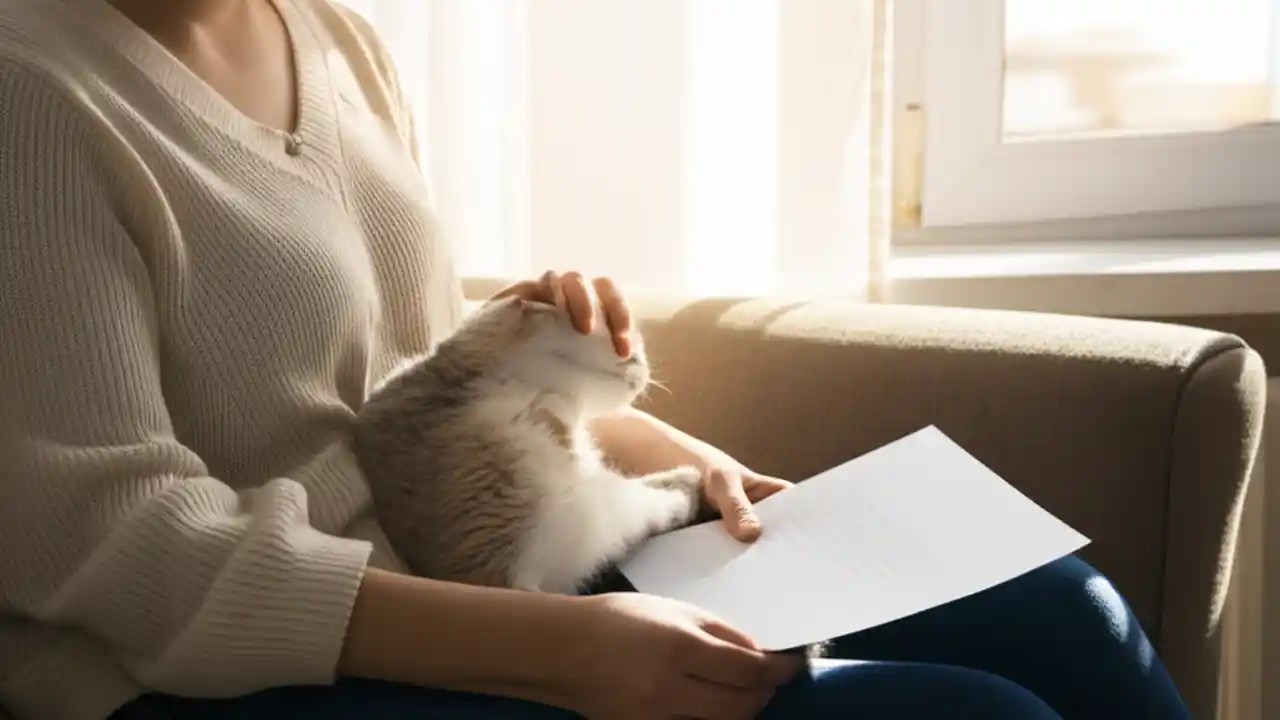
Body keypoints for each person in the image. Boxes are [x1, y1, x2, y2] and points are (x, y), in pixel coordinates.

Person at [0, 1, 1192, 718]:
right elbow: (117, 546)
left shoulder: (326, 31)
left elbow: (396, 371)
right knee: (964, 716)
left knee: (1065, 614)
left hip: (470, 568)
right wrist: (563, 654)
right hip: (232, 676)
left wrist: (658, 448)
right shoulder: (33, 95)